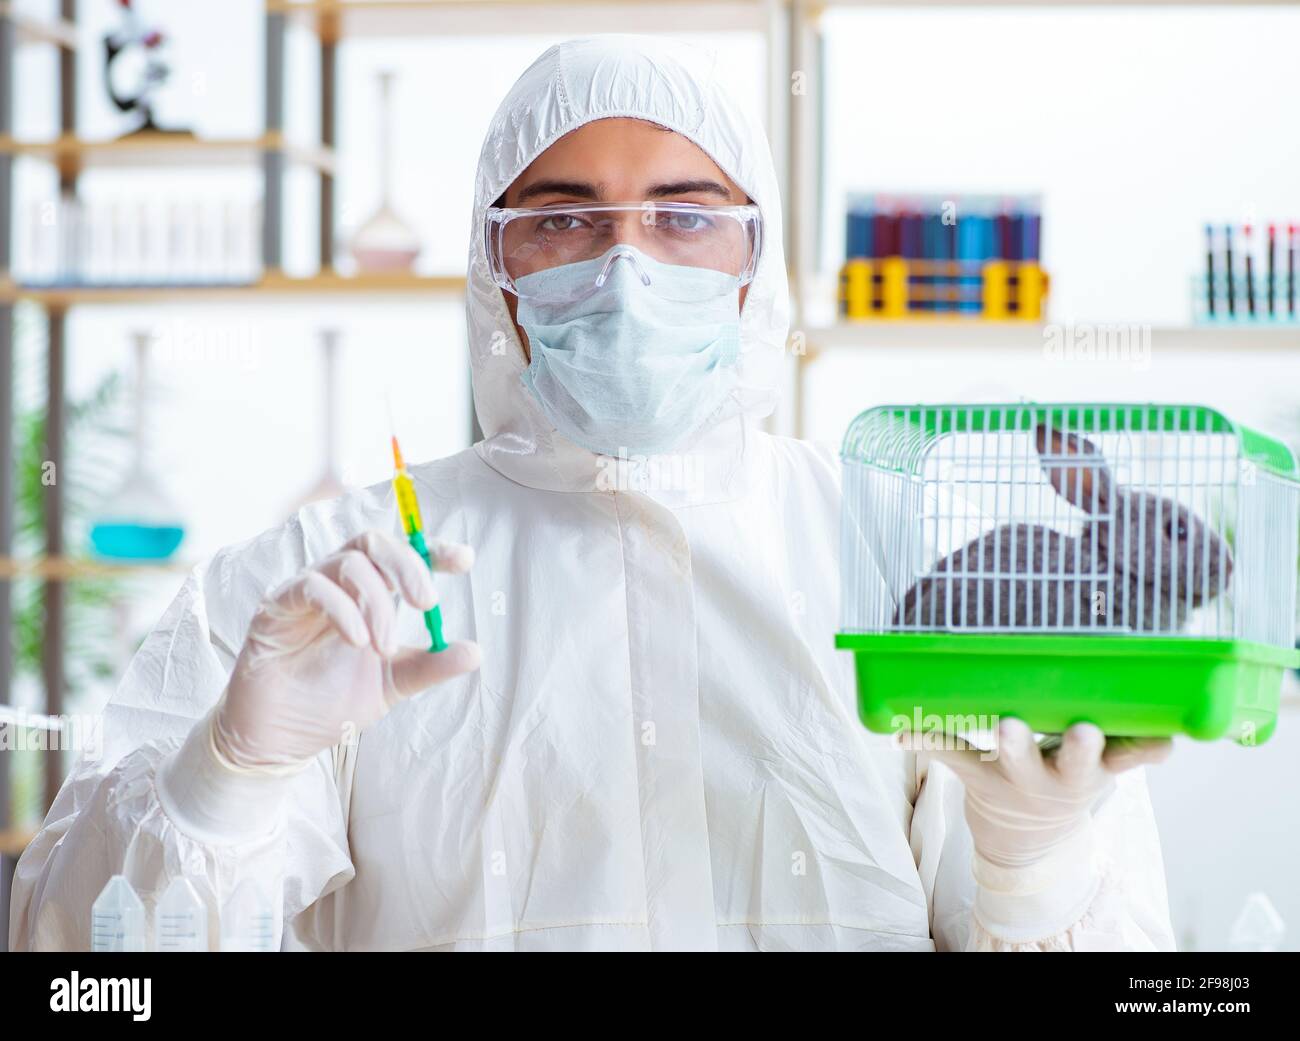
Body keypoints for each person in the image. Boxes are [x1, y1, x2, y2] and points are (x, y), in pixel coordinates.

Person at [10, 35, 1174, 952]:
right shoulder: (331, 580)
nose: (626, 266)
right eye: (561, 218)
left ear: (754, 260)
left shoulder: (892, 546)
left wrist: (1033, 857)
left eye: (686, 215)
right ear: (494, 268)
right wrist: (228, 775)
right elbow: (83, 980)